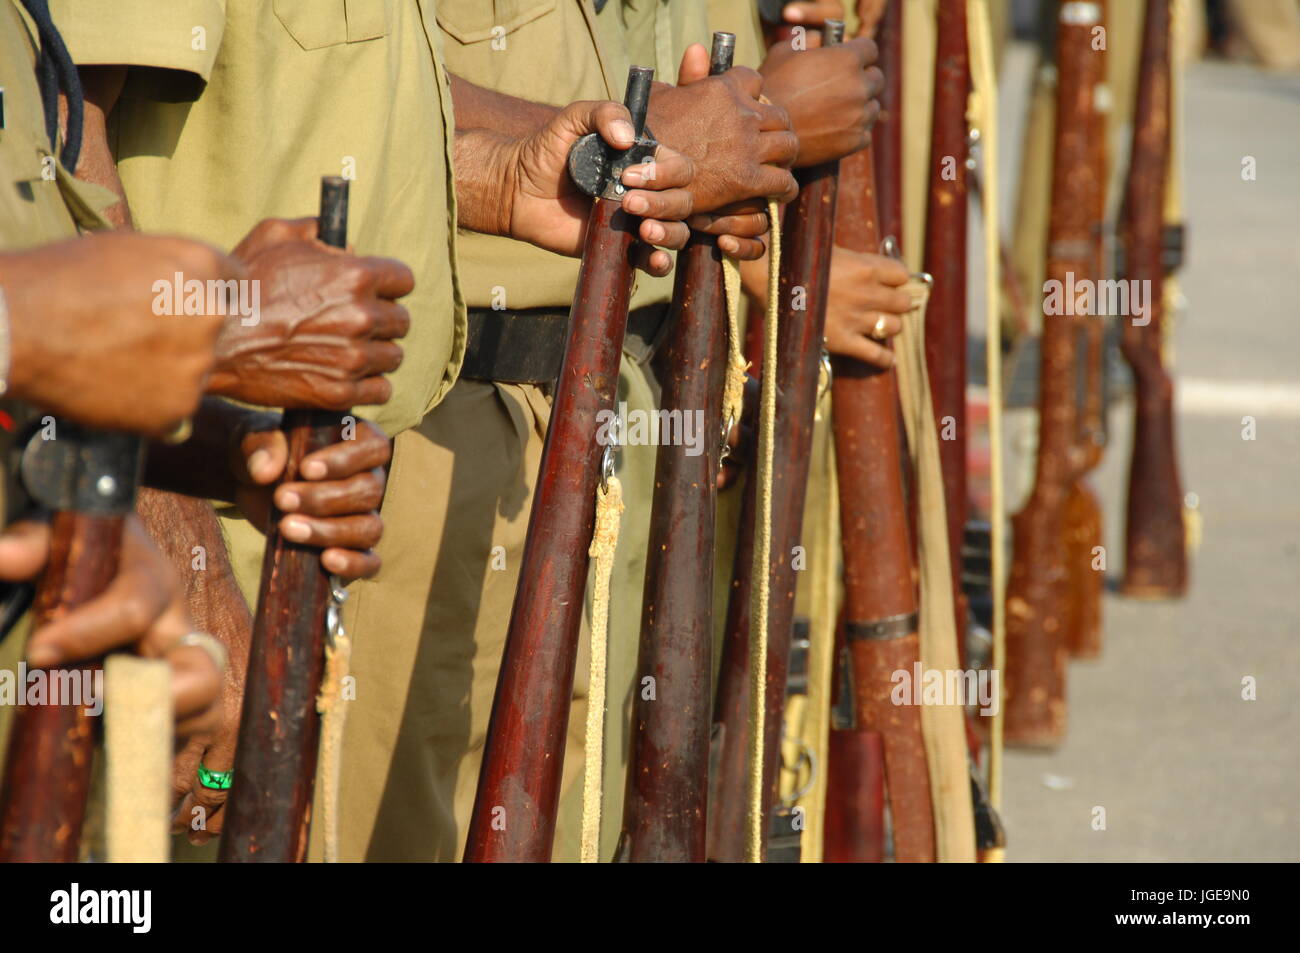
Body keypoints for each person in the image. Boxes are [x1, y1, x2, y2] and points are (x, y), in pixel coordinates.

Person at [49, 0, 704, 860]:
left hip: (319, 490)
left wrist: (501, 175)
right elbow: (58, 145)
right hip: (226, 517)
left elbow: (331, 100)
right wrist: (172, 541)